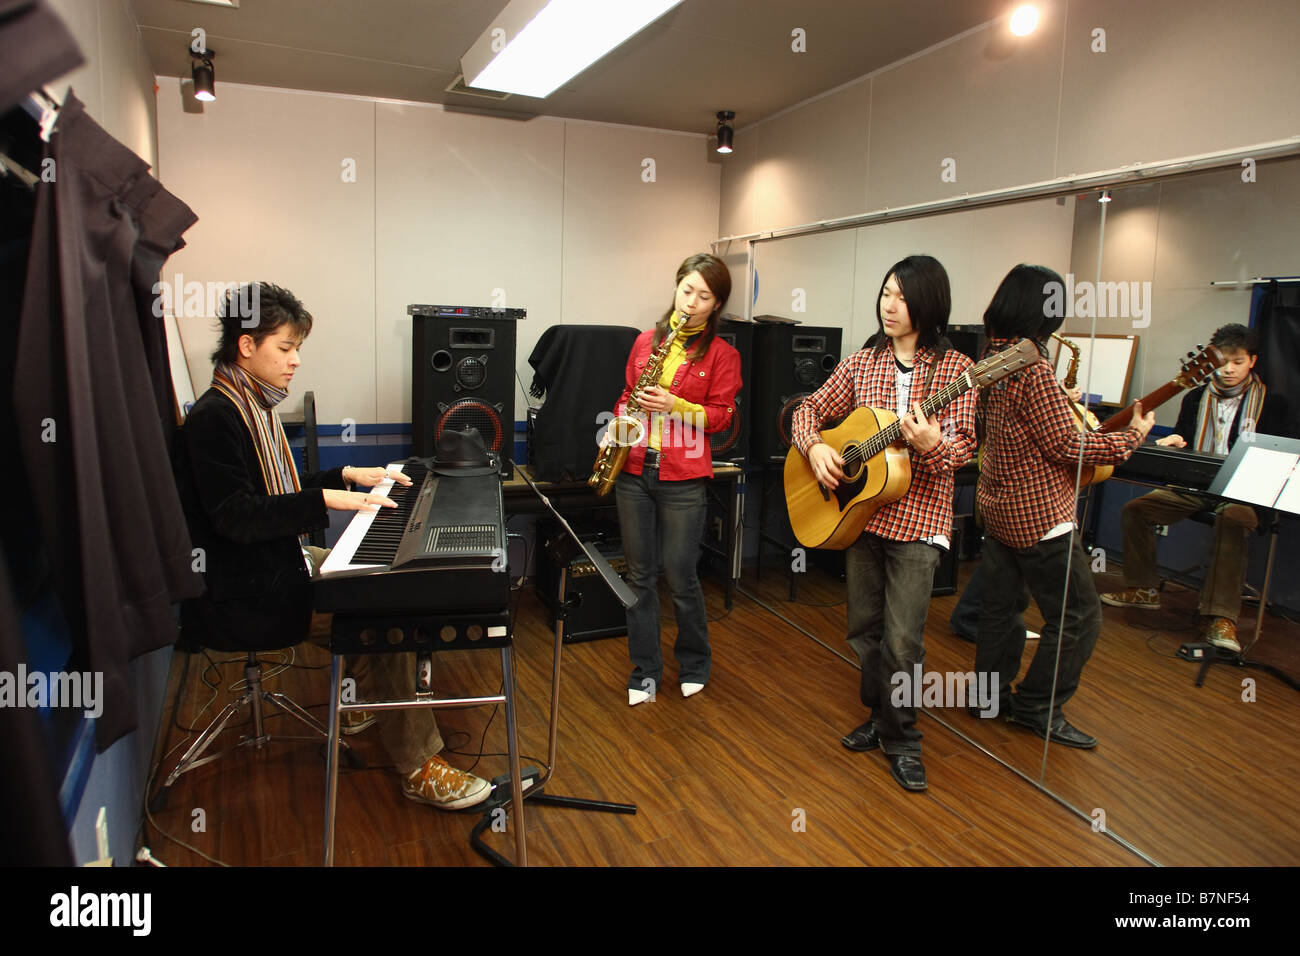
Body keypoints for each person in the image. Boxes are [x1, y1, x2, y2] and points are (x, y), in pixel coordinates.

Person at [172, 282, 489, 810]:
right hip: (242, 589)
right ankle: (420, 768)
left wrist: (347, 473)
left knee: (383, 582)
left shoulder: (248, 403)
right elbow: (238, 517)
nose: (296, 361)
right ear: (246, 346)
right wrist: (327, 499)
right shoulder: (214, 419)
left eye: (298, 348)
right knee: (386, 616)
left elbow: (277, 492)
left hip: (273, 561)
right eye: (285, 348)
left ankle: (365, 702)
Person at [791, 254, 976, 793]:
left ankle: (903, 740)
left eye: (902, 296)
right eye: (886, 293)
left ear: (929, 304)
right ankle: (878, 717)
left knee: (903, 641)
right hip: (861, 517)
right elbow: (807, 411)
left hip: (919, 521)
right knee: (863, 631)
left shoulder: (958, 371)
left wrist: (932, 443)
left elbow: (961, 449)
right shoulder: (862, 362)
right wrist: (816, 448)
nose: (889, 305)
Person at [974, 264, 1153, 749]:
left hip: (997, 504)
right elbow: (1067, 448)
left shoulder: (992, 356)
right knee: (1079, 617)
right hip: (1037, 515)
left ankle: (988, 698)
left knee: (1002, 608)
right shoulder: (1034, 368)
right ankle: (1037, 708)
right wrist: (1132, 437)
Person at [1099, 323, 1289, 652]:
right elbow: (1186, 444)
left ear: (1253, 361)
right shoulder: (1196, 397)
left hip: (1244, 495)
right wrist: (1173, 444)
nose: (1228, 369)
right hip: (1196, 488)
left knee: (1233, 519)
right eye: (1222, 361)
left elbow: (1280, 459)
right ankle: (1143, 589)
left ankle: (1221, 619)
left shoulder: (1274, 404)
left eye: (1238, 362)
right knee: (1137, 509)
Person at [608, 254, 741, 706]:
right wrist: (618, 426)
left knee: (681, 575)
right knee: (639, 577)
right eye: (687, 290)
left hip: (683, 476)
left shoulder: (723, 355)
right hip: (634, 469)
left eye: (704, 296)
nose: (692, 302)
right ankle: (644, 671)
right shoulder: (646, 342)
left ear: (716, 304)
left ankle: (695, 664)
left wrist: (676, 405)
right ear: (676, 287)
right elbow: (628, 393)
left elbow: (723, 418)